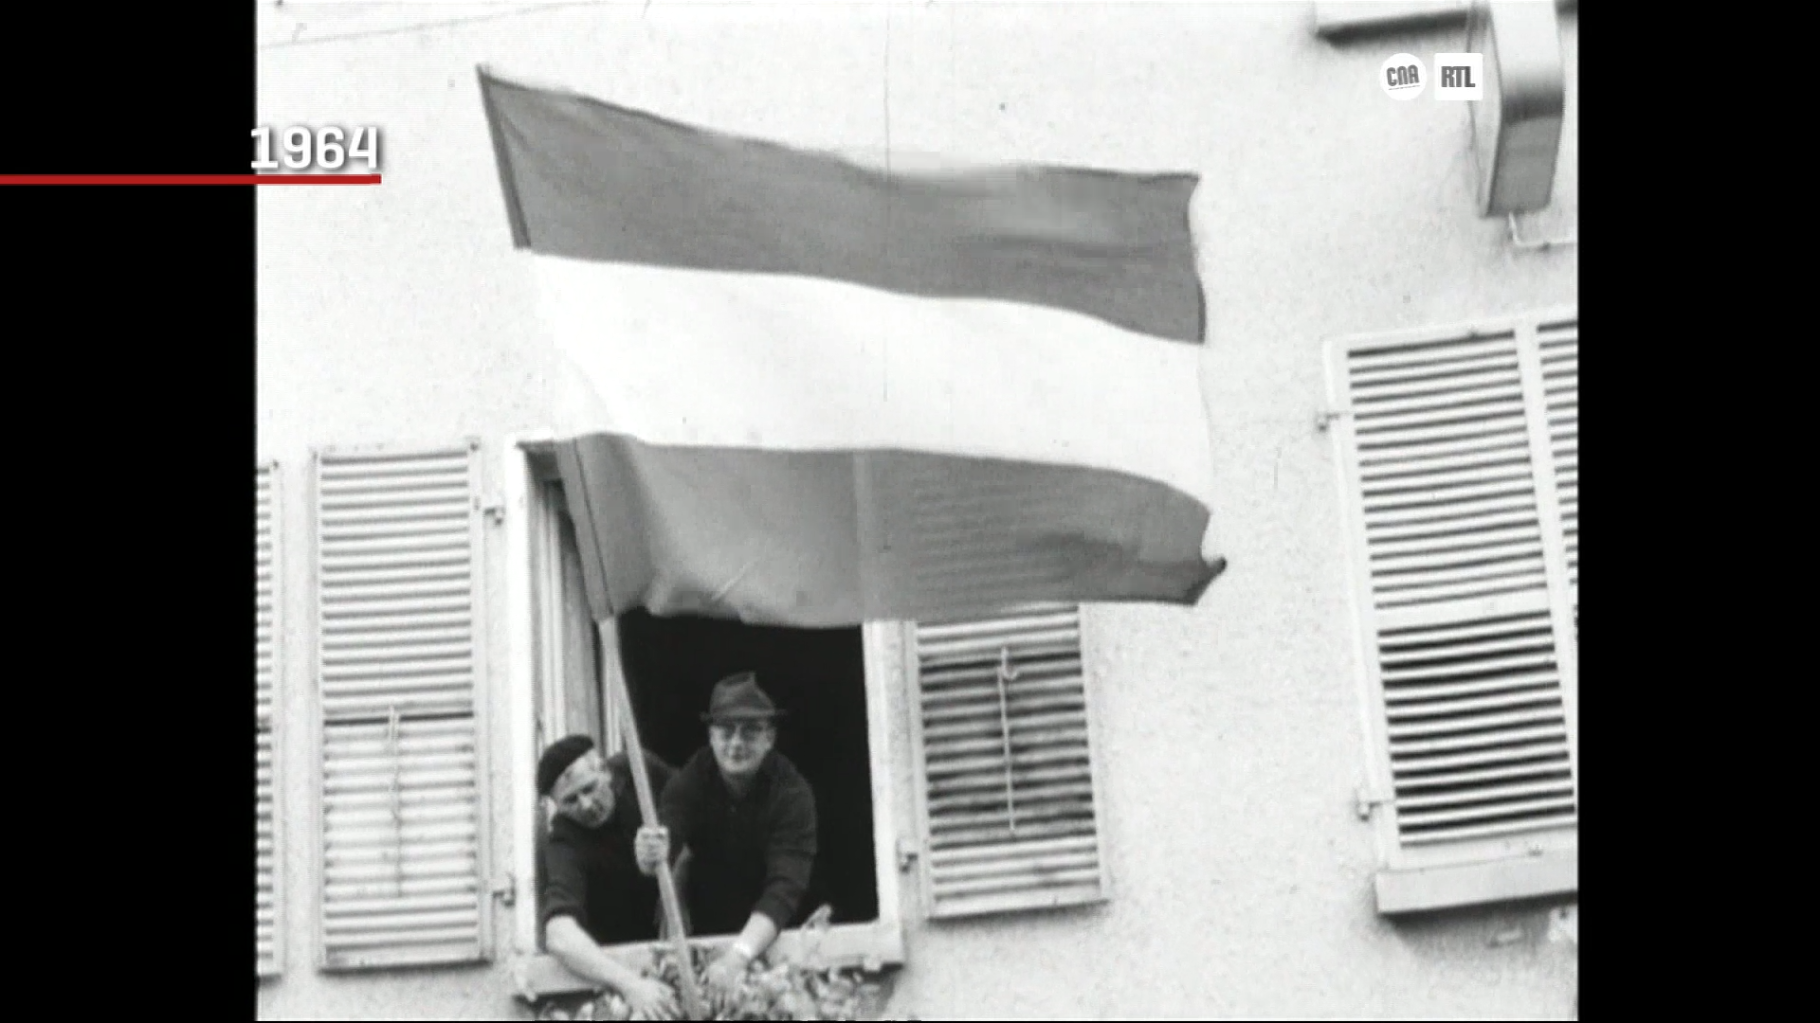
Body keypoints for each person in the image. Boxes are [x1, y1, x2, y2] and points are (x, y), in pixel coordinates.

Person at [633, 671, 818, 1002]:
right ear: (711, 736)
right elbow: (666, 845)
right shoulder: (690, 781)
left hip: (782, 936)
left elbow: (784, 889)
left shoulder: (792, 795)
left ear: (770, 738)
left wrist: (739, 955)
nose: (736, 743)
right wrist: (650, 855)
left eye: (750, 732)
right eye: (726, 731)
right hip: (710, 927)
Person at [537, 734, 679, 1018]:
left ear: (605, 771)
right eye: (570, 800)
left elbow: (702, 815)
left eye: (589, 788)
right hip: (626, 963)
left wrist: (680, 879)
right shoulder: (564, 841)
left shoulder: (639, 770)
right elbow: (559, 936)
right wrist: (630, 985)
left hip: (686, 932)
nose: (586, 805)